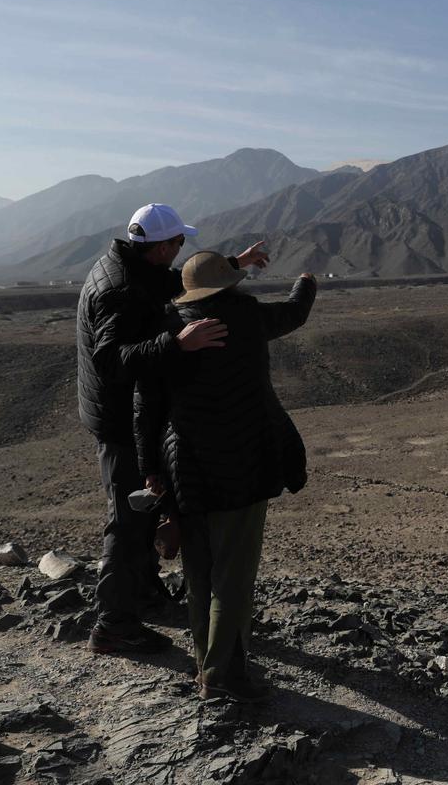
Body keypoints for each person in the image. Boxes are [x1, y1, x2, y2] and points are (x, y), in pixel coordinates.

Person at [76, 203, 268, 654]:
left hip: (125, 415)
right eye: (180, 243)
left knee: (143, 511)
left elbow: (170, 283)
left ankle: (140, 593)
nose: (182, 250)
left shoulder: (129, 267)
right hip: (121, 420)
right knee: (126, 521)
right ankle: (113, 625)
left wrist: (234, 264)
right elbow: (109, 360)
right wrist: (175, 343)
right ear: (162, 246)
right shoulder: (119, 289)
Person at [133, 251, 316, 701]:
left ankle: (205, 666)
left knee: (199, 574)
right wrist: (306, 282)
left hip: (184, 467)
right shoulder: (246, 316)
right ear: (230, 285)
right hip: (243, 464)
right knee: (232, 576)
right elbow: (293, 313)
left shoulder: (168, 328)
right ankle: (224, 678)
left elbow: (146, 404)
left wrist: (151, 468)